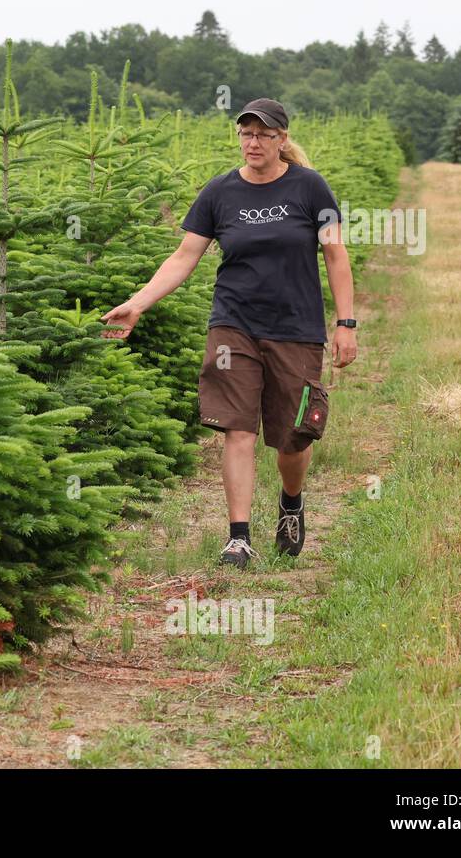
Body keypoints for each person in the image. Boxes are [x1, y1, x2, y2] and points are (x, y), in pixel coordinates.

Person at [101, 98, 358, 569]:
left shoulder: (309, 188)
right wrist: (138, 303)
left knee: (292, 438)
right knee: (236, 429)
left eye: (263, 134)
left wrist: (345, 323)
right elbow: (184, 256)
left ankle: (291, 502)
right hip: (233, 324)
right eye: (246, 133)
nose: (253, 142)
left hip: (296, 328)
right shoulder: (220, 192)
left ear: (282, 139)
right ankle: (238, 537)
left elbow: (336, 256)